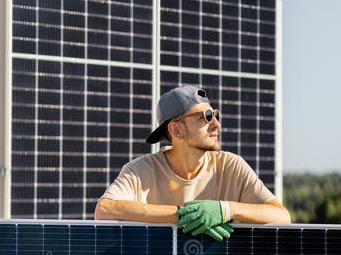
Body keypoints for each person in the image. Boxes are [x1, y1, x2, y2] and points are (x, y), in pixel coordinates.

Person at [94, 85, 291, 240]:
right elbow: (105, 210)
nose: (216, 124)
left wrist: (225, 210)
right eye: (205, 117)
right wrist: (183, 215)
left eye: (215, 114)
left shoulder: (231, 166)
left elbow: (282, 217)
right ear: (176, 130)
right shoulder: (140, 171)